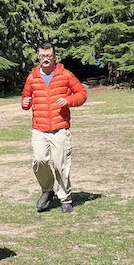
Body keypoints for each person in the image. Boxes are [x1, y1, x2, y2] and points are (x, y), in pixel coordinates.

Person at [21, 43, 88, 214]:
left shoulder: (65, 75)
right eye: (42, 56)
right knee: (39, 161)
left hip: (59, 128)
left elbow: (81, 94)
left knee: (61, 165)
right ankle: (47, 190)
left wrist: (68, 101)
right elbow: (26, 98)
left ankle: (65, 198)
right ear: (38, 57)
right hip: (39, 128)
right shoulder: (32, 77)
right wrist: (25, 103)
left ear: (54, 57)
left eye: (48, 56)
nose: (45, 59)